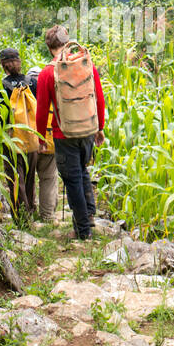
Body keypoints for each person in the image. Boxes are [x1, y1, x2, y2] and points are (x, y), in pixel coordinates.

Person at [35, 24, 106, 240]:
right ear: (67, 43)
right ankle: (89, 216)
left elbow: (41, 110)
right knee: (82, 171)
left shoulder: (48, 72)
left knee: (73, 180)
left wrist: (40, 137)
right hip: (87, 130)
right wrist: (99, 128)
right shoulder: (85, 65)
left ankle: (83, 231)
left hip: (62, 134)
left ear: (49, 47)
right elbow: (99, 98)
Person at [0, 47, 38, 223]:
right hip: (31, 135)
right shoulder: (32, 83)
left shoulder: (0, 86)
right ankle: (31, 210)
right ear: (19, 62)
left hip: (11, 138)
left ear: (3, 65)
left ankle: (22, 218)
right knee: (29, 177)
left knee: (14, 177)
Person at [28, 65, 60, 224]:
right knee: (48, 178)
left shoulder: (24, 93)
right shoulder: (52, 90)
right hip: (49, 141)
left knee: (28, 178)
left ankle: (29, 211)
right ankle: (47, 216)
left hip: (29, 142)